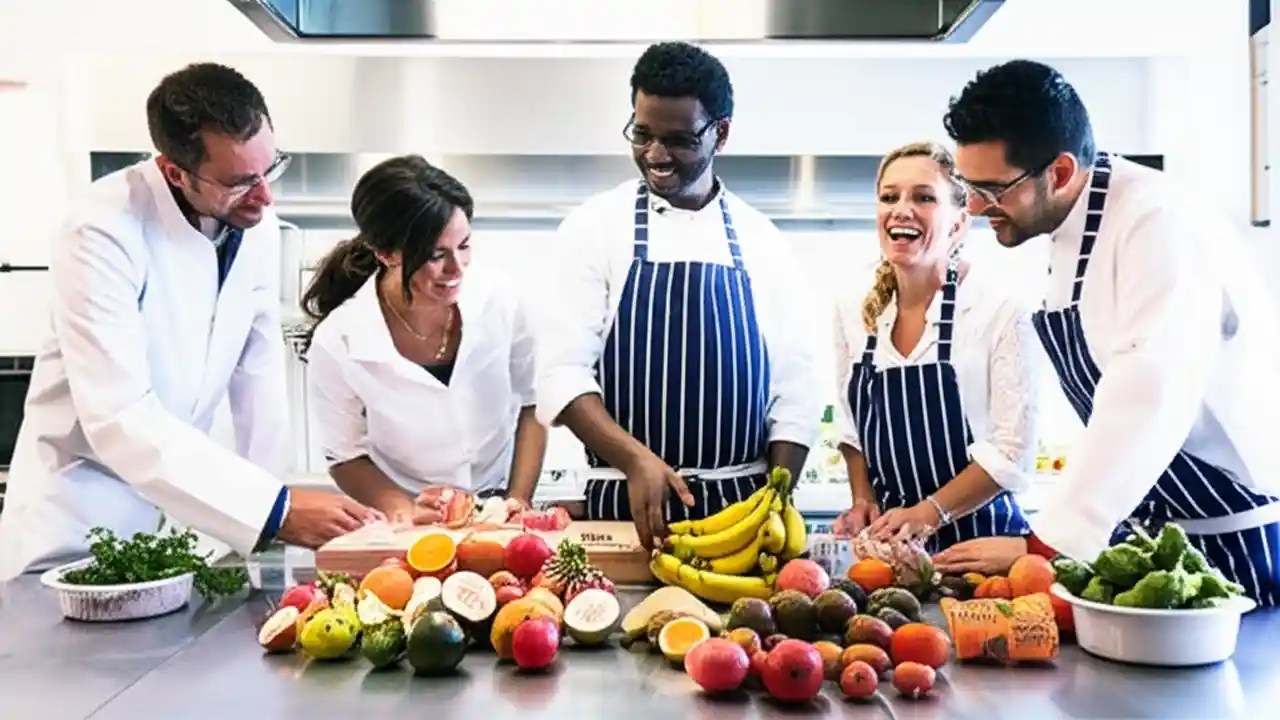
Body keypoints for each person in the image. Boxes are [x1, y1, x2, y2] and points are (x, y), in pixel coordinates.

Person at [0, 63, 382, 580]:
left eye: (270, 169)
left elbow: (258, 377)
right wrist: (275, 511)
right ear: (175, 171)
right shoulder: (101, 230)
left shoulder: (256, 223)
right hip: (80, 516)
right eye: (239, 182)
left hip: (182, 520)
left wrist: (273, 516)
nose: (265, 197)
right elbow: (119, 416)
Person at [933, 59, 1280, 606]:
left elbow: (1148, 390)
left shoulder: (1156, 219)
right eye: (968, 187)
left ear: (1060, 172)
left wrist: (1049, 544)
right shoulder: (1071, 226)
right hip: (1156, 539)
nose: (975, 208)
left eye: (993, 189)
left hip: (1235, 547)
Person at [536, 41, 820, 548]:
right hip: (624, 509)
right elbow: (562, 374)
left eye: (678, 140)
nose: (655, 155)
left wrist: (775, 501)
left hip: (740, 517)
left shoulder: (763, 241)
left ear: (720, 133)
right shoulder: (593, 227)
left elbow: (795, 393)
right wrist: (634, 459)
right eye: (642, 134)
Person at [301, 155, 546, 525]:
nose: (456, 268)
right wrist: (404, 509)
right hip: (410, 514)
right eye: (435, 255)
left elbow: (534, 404)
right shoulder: (339, 341)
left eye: (464, 245)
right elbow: (345, 457)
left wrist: (518, 500)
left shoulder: (500, 299)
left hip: (498, 503)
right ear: (385, 253)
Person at [830, 141, 1038, 553]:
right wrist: (863, 500)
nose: (901, 209)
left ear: (958, 224)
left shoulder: (999, 309)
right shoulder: (852, 310)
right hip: (893, 553)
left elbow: (1012, 452)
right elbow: (851, 431)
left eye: (924, 197)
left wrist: (929, 513)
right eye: (889, 197)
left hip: (981, 551)